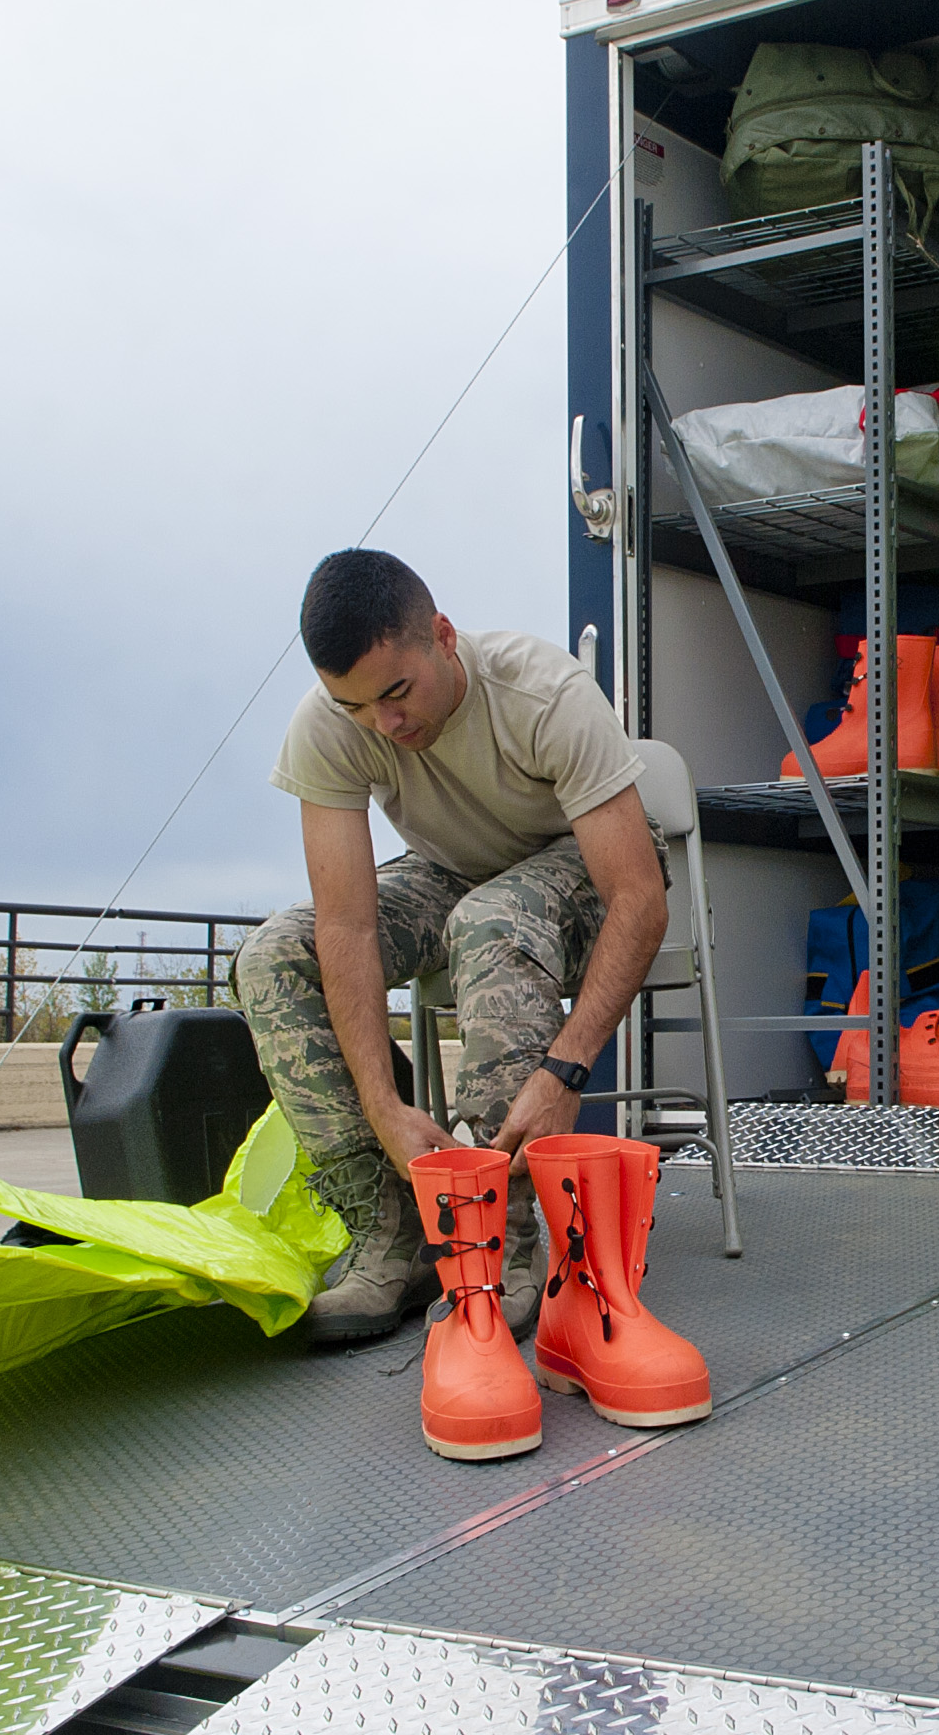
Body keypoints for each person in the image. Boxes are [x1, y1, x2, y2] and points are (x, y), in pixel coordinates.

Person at [232, 551, 669, 1346]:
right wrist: (383, 1107)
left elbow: (639, 900)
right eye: (357, 706)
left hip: (575, 865)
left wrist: (566, 1071)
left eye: (397, 693)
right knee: (273, 956)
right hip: (450, 873)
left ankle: (519, 1234)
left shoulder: (544, 693)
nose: (385, 725)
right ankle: (392, 1234)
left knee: (489, 921)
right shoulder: (331, 724)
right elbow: (347, 926)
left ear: (442, 636)